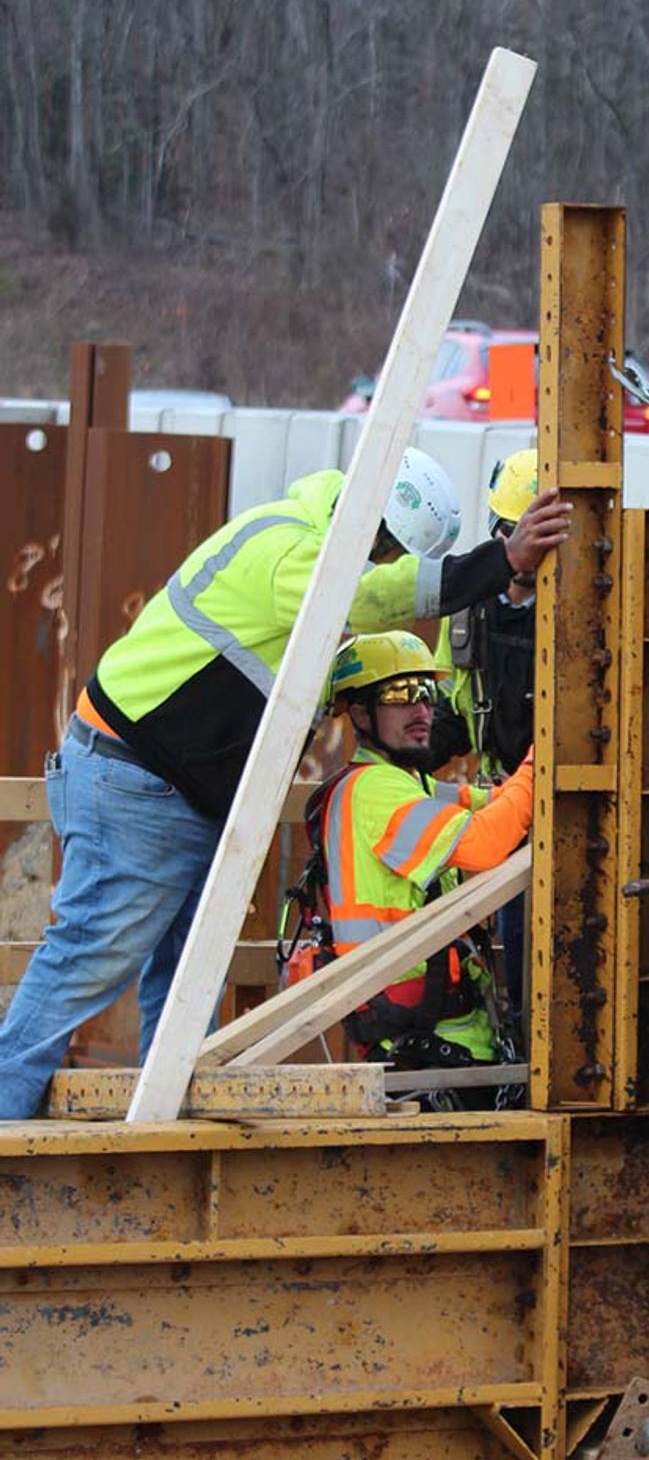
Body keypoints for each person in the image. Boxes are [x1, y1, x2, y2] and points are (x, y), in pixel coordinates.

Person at [0, 450, 570, 1120]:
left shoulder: (295, 540)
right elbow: (357, 597)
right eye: (385, 550)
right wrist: (498, 565)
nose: (383, 564)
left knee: (187, 978)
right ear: (370, 527)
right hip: (138, 777)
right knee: (94, 953)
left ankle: (164, 1128)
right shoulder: (293, 551)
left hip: (168, 787)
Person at [322, 629, 533, 1100]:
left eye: (428, 693)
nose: (422, 709)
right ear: (359, 712)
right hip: (427, 1049)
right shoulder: (374, 791)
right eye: (400, 694)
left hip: (438, 1039)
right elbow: (483, 844)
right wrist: (541, 764)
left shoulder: (409, 786)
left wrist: (520, 782)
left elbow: (492, 805)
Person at [428, 445, 539, 1011]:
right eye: (514, 534)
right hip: (503, 804)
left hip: (552, 808)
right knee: (502, 956)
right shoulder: (471, 606)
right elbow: (455, 705)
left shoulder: (583, 610)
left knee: (532, 958)